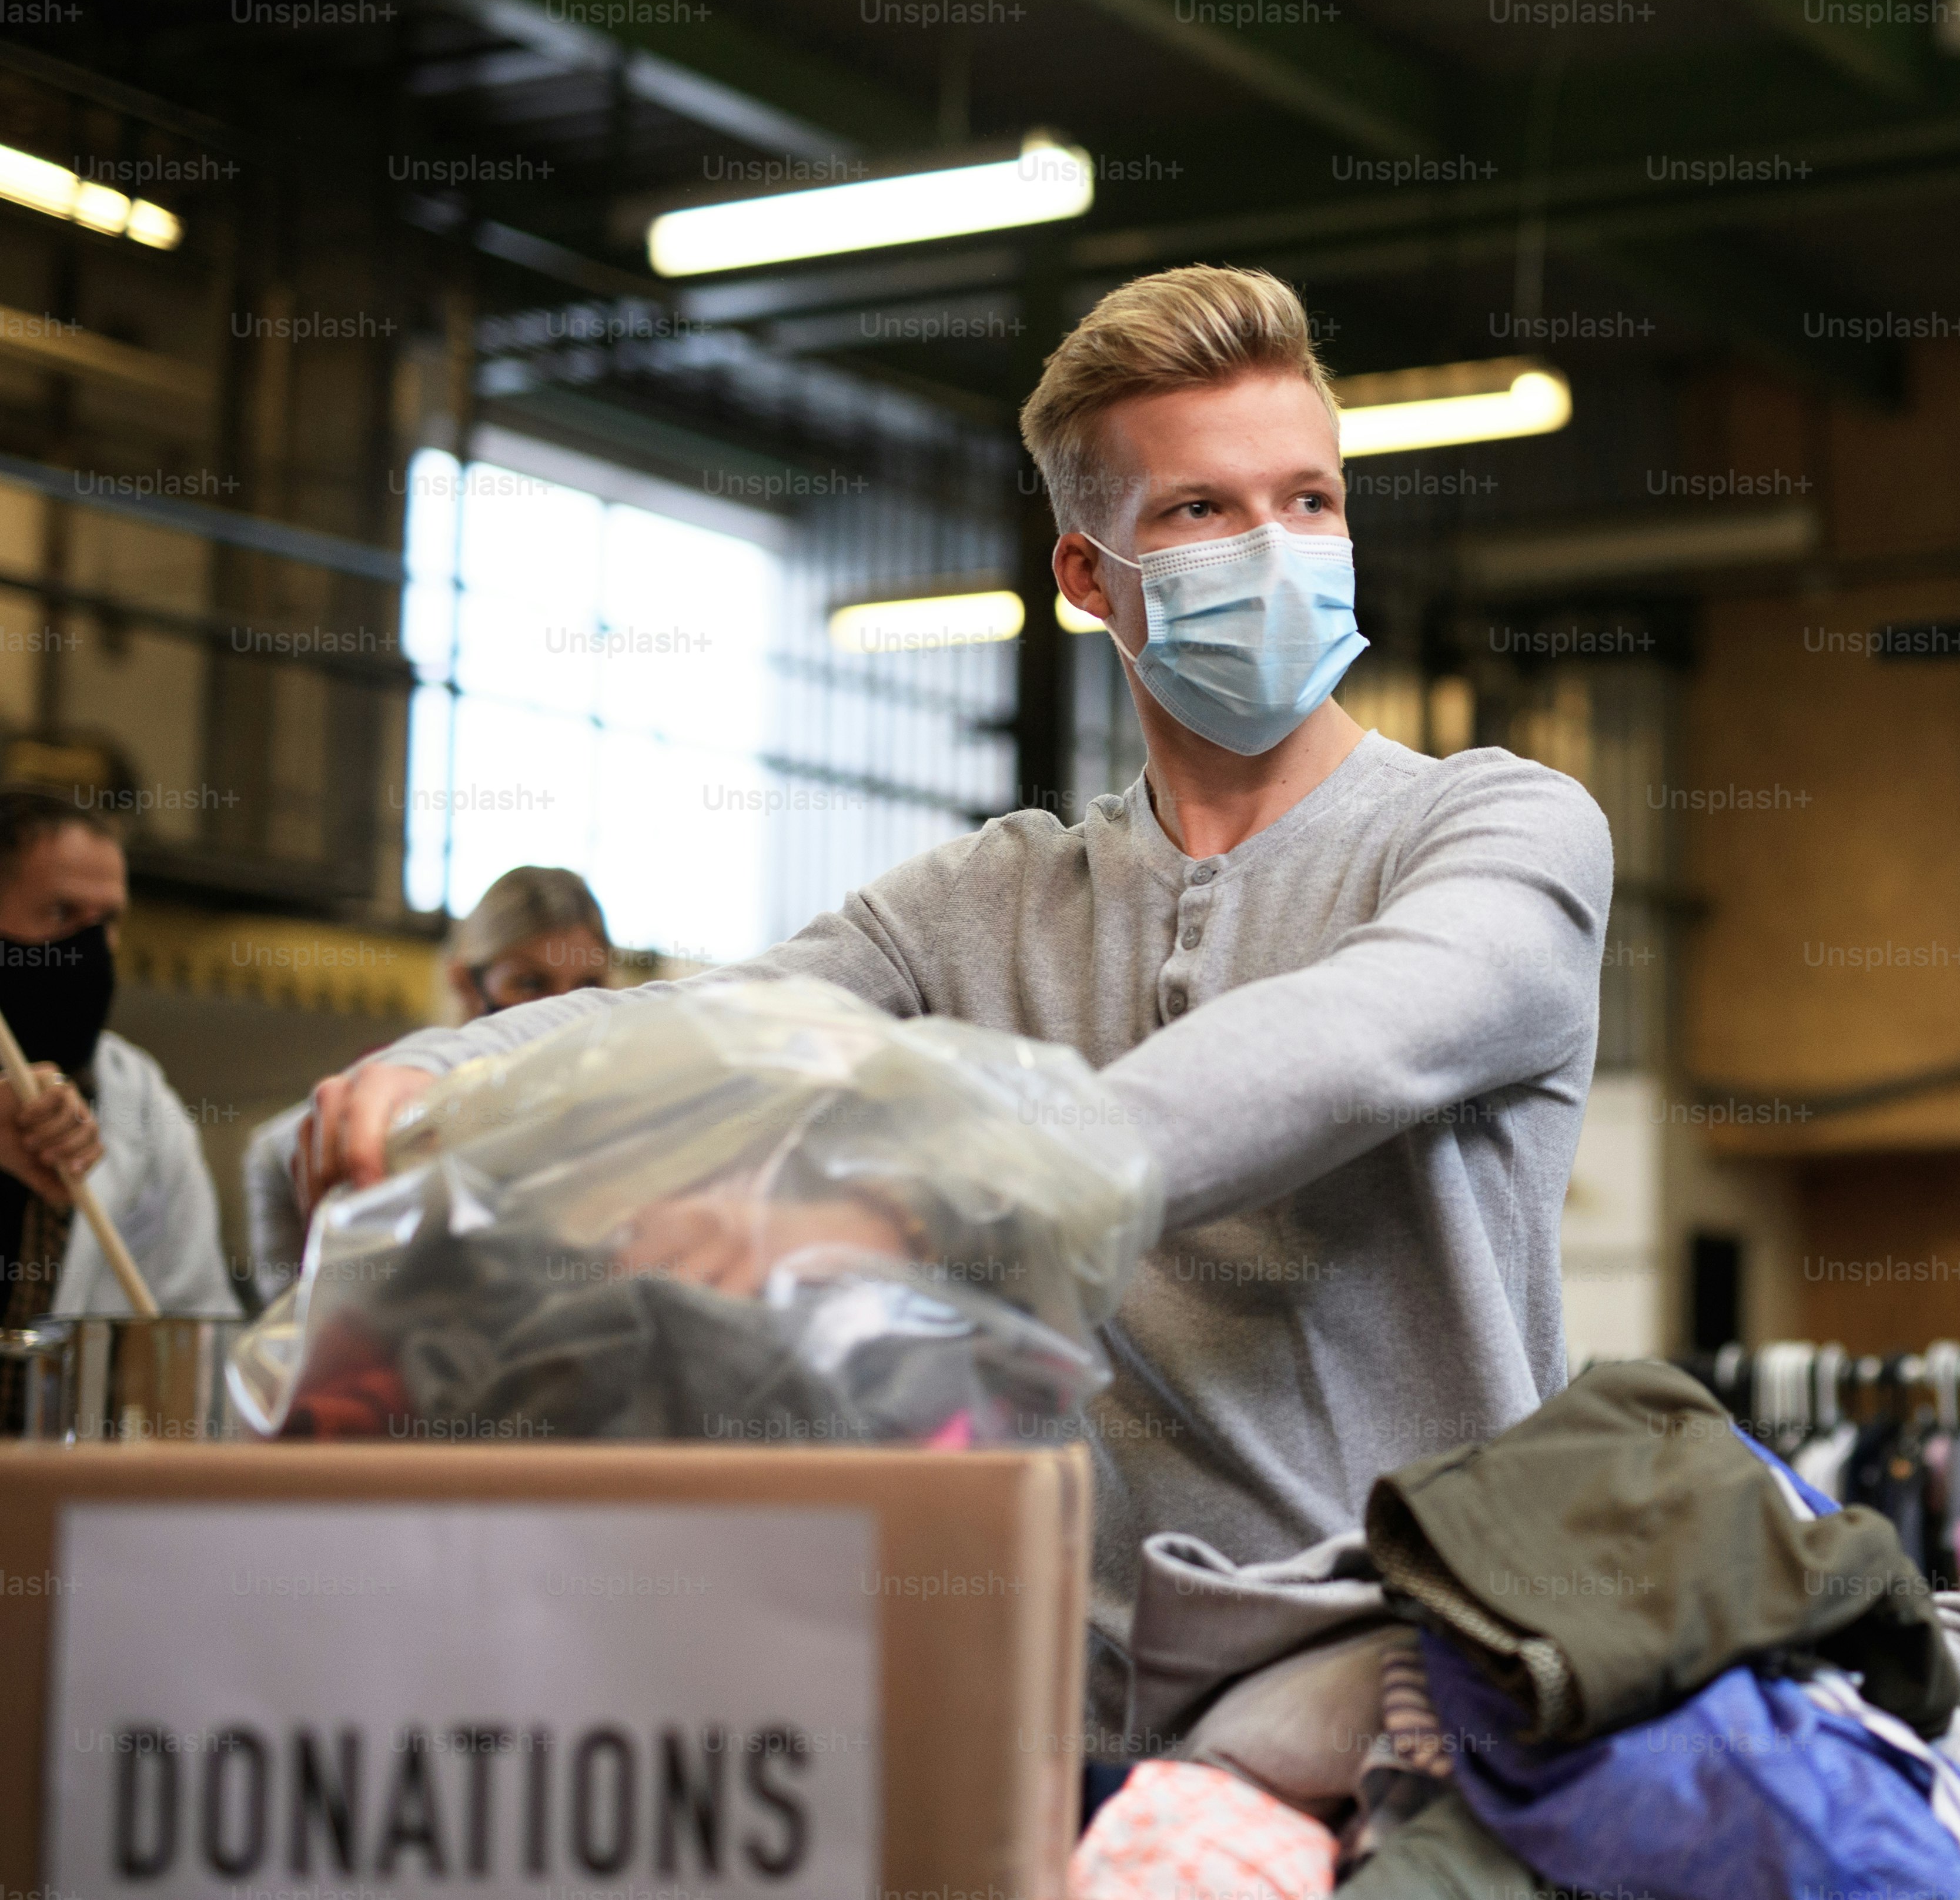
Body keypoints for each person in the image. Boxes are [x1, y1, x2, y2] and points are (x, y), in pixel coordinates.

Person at [296, 265, 1614, 1735]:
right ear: (1084, 576)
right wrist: (446, 1073)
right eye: (1198, 511)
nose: (1273, 546)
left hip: (1430, 1712)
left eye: (1308, 501)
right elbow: (713, 1023)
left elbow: (1355, 1037)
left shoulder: (1499, 831)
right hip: (1082, 1724)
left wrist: (932, 1194)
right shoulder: (992, 902)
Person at [244, 864, 613, 1297]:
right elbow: (270, 1154)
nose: (560, 1011)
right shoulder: (406, 1086)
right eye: (529, 983)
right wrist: (295, 1306)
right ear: (465, 982)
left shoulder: (615, 1102)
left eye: (589, 988)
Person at [0, 784, 232, 1337]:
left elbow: (195, 1316)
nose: (92, 949)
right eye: (61, 912)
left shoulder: (142, 1101)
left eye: (108, 923)